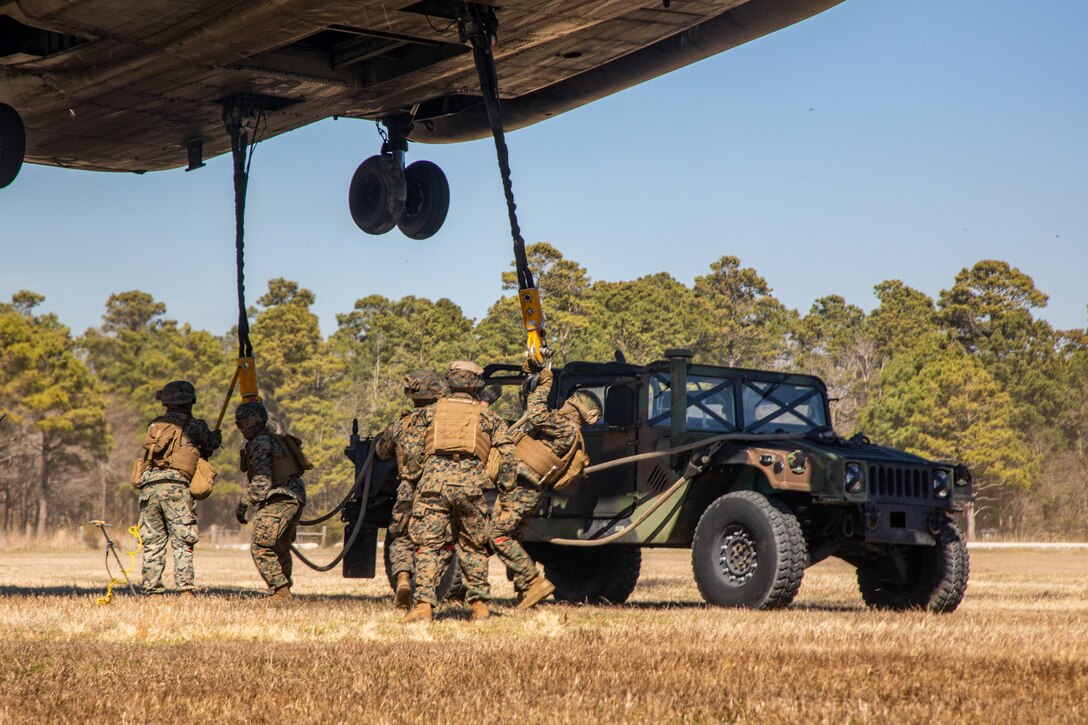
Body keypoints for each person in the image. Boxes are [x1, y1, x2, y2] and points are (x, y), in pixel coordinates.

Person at [402, 361, 515, 623]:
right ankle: (479, 606)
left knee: (429, 546)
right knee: (473, 546)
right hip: (471, 485)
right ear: (477, 385)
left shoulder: (428, 413)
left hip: (433, 485)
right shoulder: (488, 417)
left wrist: (416, 478)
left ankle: (423, 606)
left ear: (450, 382)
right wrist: (507, 493)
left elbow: (411, 450)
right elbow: (507, 457)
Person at [492, 365, 602, 608]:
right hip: (527, 489)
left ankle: (533, 583)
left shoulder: (564, 426)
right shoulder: (569, 429)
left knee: (498, 535)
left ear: (575, 405)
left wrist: (544, 385)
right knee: (512, 537)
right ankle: (526, 592)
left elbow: (536, 415)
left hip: (522, 488)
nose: (565, 402)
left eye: (570, 400)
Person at [135, 380, 221, 596]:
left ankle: (151, 590)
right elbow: (208, 445)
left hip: (149, 487)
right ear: (190, 401)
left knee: (153, 541)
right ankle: (185, 591)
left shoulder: (154, 425)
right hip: (176, 488)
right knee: (183, 540)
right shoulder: (195, 426)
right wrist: (215, 438)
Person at [376, 369, 446, 608]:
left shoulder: (401, 424)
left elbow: (382, 452)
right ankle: (430, 587)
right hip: (438, 488)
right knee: (438, 540)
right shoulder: (445, 421)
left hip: (407, 488)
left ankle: (403, 578)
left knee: (401, 537)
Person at [234, 401, 308, 601]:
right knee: (280, 546)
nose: (241, 428)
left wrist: (244, 504)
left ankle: (281, 590)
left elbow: (262, 481)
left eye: (242, 423)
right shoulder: (271, 439)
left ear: (254, 421)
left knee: (262, 546)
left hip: (280, 497)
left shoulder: (260, 442)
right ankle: (283, 591)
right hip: (294, 497)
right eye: (238, 425)